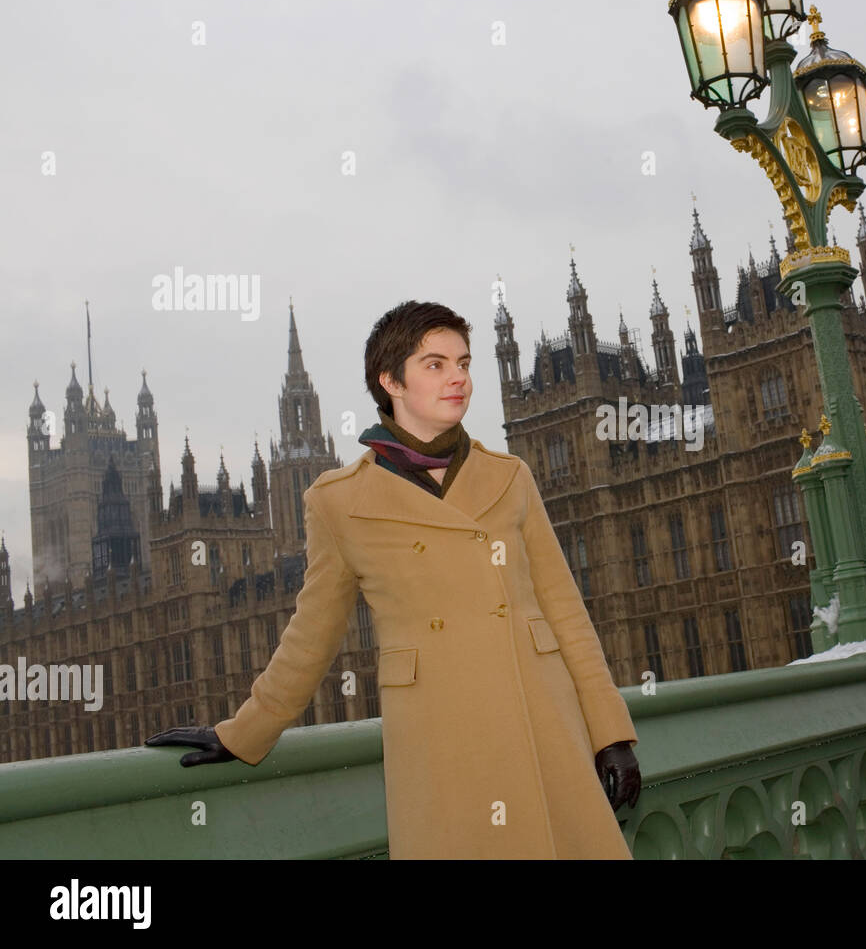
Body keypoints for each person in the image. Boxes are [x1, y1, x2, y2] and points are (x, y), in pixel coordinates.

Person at [147, 300, 641, 859]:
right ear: (391, 381)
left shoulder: (510, 477)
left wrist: (610, 732)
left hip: (543, 727)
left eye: (464, 361)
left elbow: (566, 613)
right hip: (440, 737)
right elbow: (312, 636)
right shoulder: (339, 501)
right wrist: (243, 731)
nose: (458, 376)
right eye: (435, 364)